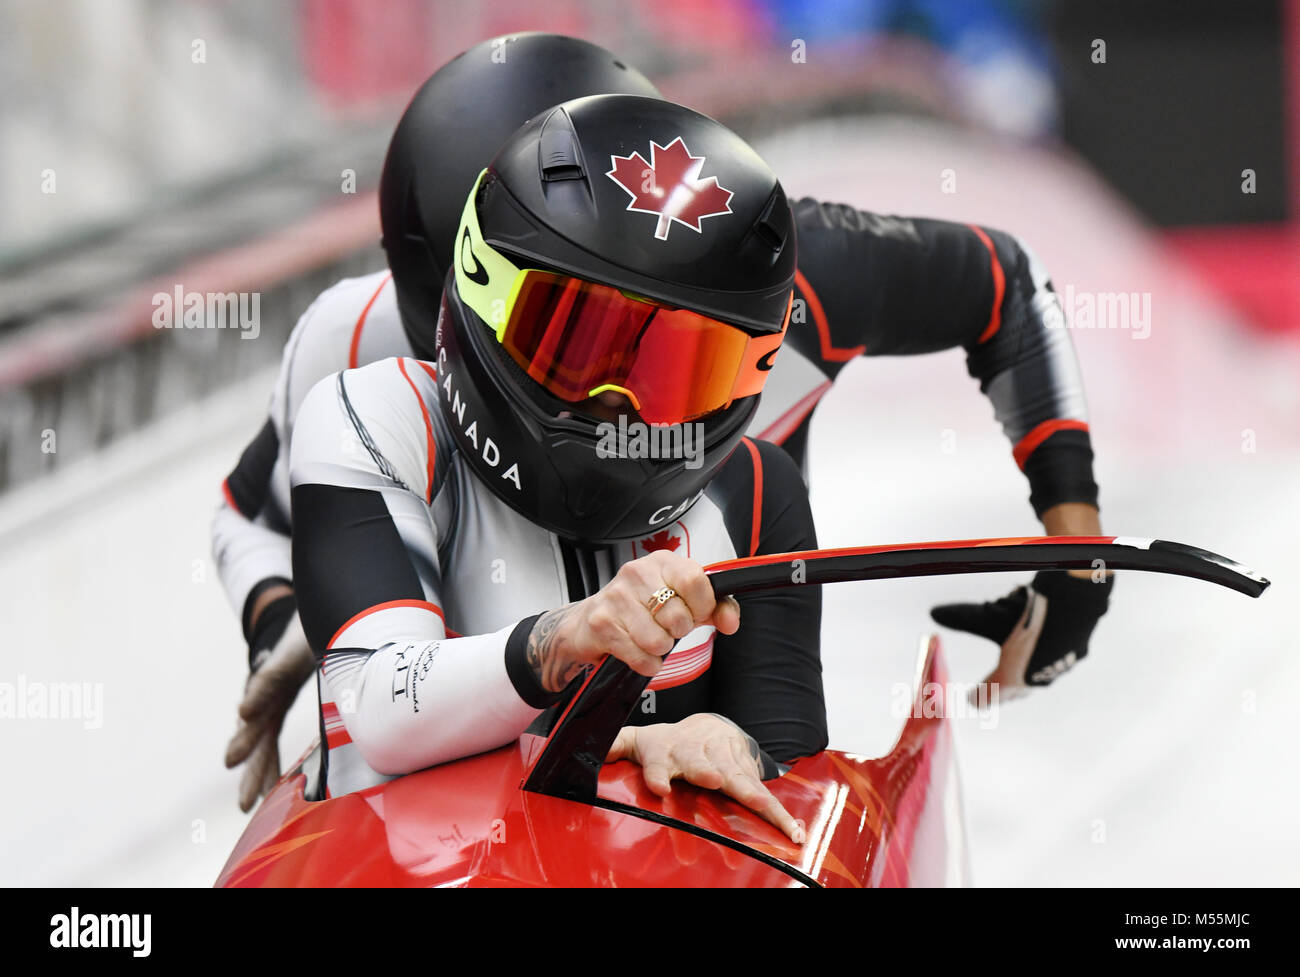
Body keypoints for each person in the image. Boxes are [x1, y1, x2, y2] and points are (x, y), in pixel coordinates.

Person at [215, 32, 1112, 815]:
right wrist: (307, 615)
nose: (616, 398)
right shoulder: (355, 352)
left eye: (664, 350)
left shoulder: (768, 286)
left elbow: (1006, 288)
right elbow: (261, 526)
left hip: (702, 615)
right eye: (558, 328)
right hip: (473, 667)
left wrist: (1078, 544)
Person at [284, 92, 820, 841]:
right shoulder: (374, 418)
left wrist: (741, 751)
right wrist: (571, 644)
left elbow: (797, 800)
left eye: (677, 370)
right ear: (483, 284)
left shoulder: (761, 492)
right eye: (581, 343)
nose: (620, 407)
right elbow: (382, 708)